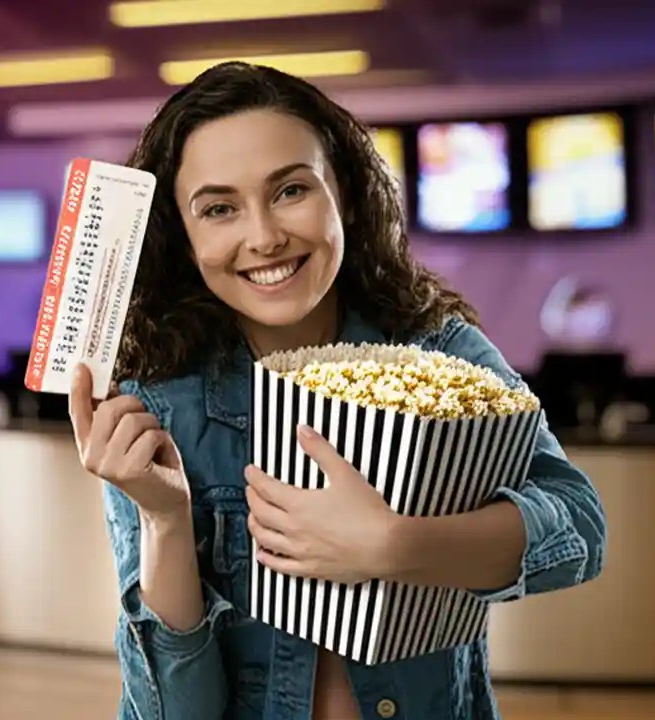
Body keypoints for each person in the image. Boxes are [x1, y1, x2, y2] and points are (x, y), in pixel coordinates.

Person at [68, 62, 606, 720]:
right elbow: (175, 713)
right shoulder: (157, 401)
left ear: (344, 193)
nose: (264, 236)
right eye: (218, 209)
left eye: (291, 190)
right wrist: (164, 520)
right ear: (184, 237)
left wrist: (396, 546)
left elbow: (580, 529)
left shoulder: (439, 351)